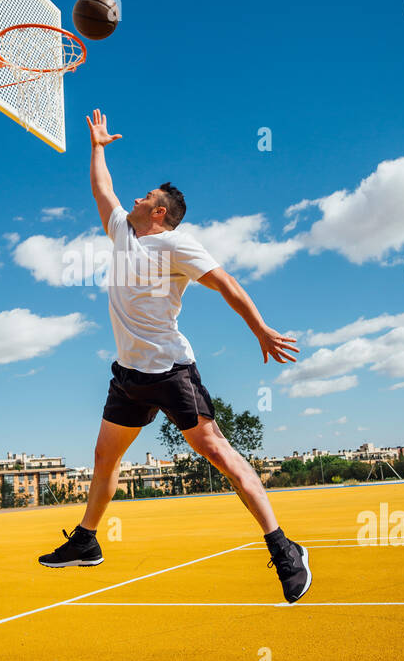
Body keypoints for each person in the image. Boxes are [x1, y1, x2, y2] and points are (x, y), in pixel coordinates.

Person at [39, 109, 311, 603]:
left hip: (170, 372)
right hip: (128, 376)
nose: (138, 198)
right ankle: (87, 540)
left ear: (160, 212)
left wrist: (261, 329)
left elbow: (226, 283)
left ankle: (284, 548)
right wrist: (98, 146)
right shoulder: (124, 231)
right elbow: (103, 191)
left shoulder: (177, 246)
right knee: (105, 459)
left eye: (147, 197)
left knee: (218, 454)